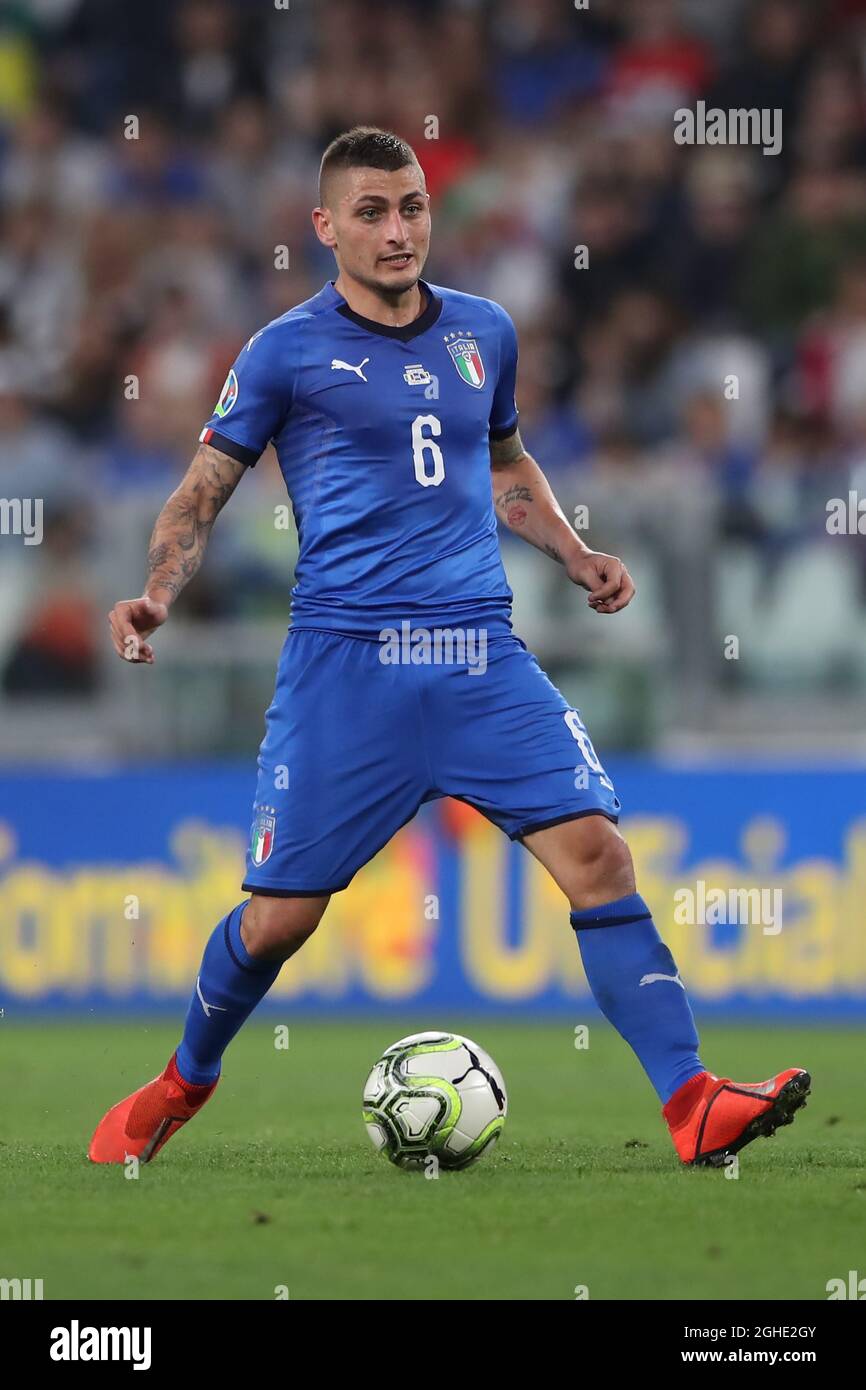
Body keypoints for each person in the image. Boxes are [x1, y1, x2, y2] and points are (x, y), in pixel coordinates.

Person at [89, 128, 809, 1168]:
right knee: (279, 920)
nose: (397, 230)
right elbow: (200, 493)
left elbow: (506, 462)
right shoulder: (282, 351)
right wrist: (158, 591)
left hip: (479, 654)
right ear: (324, 227)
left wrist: (572, 550)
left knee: (598, 855)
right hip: (347, 667)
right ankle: (180, 1082)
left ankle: (690, 1101)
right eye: (371, 213)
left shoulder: (484, 332)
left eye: (413, 207)